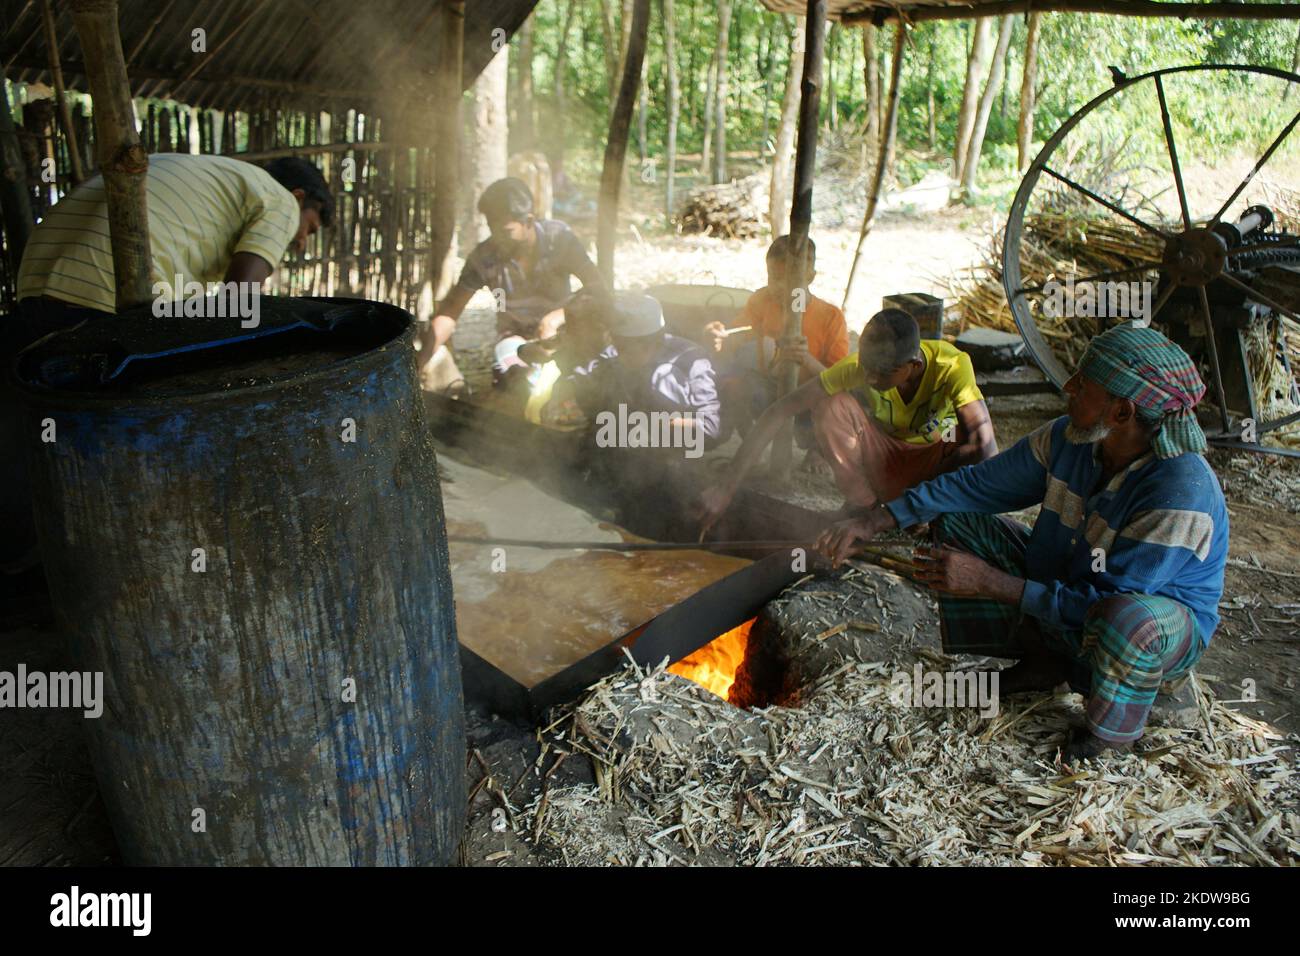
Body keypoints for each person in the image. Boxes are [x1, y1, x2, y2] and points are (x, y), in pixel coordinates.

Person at [817, 324, 1229, 761]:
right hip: (1076, 583)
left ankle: (1113, 735)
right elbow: (975, 485)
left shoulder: (1180, 492)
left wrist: (988, 581)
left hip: (1147, 626)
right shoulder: (1068, 438)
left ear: (1122, 413)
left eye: (1083, 385)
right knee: (956, 520)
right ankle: (1045, 662)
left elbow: (1100, 601)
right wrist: (876, 520)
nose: (1068, 388)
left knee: (1126, 621)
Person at [697, 307, 996, 533]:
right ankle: (863, 506)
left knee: (965, 434)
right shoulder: (860, 368)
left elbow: (985, 447)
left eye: (881, 372)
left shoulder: (952, 366)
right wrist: (726, 485)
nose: (869, 377)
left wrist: (930, 501)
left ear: (913, 365)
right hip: (887, 466)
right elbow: (779, 410)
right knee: (831, 407)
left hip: (932, 470)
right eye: (866, 367)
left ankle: (932, 514)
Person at [15, 154, 331, 335]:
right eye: (310, 228)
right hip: (101, 296)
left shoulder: (218, 174)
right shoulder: (282, 201)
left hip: (31, 292)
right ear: (299, 197)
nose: (301, 242)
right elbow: (239, 302)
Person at [417, 177, 607, 393]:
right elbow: (450, 312)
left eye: (506, 232)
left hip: (565, 334)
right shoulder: (483, 258)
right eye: (492, 229)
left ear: (528, 221)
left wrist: (556, 318)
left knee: (582, 384)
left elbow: (596, 286)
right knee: (518, 385)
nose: (498, 239)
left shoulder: (559, 239)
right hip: (516, 341)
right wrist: (420, 362)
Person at [703, 235, 849, 448]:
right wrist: (717, 335)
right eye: (774, 277)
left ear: (810, 277)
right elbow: (735, 336)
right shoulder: (762, 300)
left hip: (811, 394)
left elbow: (839, 382)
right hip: (768, 386)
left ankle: (817, 451)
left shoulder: (831, 317)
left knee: (836, 404)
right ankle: (753, 448)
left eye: (790, 280)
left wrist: (805, 359)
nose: (780, 286)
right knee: (732, 387)